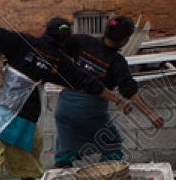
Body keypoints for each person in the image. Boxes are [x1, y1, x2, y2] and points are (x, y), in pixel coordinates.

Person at [0, 17, 128, 180]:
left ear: (46, 30)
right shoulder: (58, 61)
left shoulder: (23, 42)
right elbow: (87, 82)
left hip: (2, 107)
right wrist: (117, 99)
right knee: (26, 153)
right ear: (65, 39)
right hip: (27, 111)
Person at [54, 15, 164, 166]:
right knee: (112, 145)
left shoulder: (83, 41)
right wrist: (150, 114)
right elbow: (129, 91)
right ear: (124, 39)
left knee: (66, 150)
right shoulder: (116, 61)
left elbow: (56, 46)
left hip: (64, 108)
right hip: (89, 111)